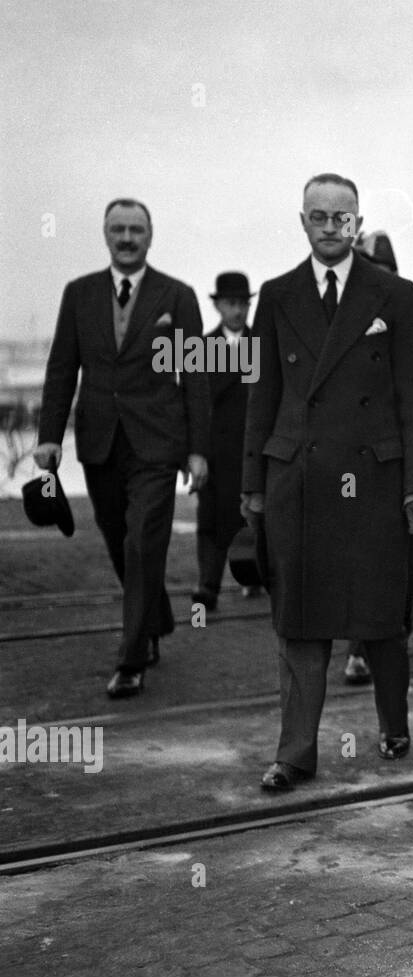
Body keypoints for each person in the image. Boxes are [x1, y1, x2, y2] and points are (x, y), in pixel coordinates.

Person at [242, 173, 413, 791]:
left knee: (380, 616)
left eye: (342, 218)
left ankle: (393, 722)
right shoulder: (275, 296)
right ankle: (294, 753)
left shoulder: (395, 294)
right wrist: (252, 484)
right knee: (299, 623)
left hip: (374, 482)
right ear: (303, 221)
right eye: (319, 217)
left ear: (358, 222)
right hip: (297, 483)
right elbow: (261, 396)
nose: (331, 228)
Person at [34, 198, 210, 698]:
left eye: (136, 229)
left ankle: (131, 657)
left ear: (150, 237)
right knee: (119, 540)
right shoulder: (80, 294)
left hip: (157, 443)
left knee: (142, 542)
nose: (127, 238)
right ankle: (153, 619)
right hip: (100, 441)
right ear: (105, 235)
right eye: (118, 229)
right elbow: (62, 368)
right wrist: (49, 437)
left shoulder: (178, 296)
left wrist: (198, 451)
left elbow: (195, 376)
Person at [340, 231, 413, 685]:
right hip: (358, 470)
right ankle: (359, 649)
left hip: (412, 471)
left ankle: (399, 628)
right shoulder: (341, 338)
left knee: (408, 560)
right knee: (358, 559)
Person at [193, 272, 261, 610]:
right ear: (218, 305)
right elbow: (193, 404)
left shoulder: (262, 345)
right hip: (215, 453)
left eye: (243, 303)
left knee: (252, 518)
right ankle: (208, 588)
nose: (238, 310)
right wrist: (194, 453)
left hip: (252, 452)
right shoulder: (201, 348)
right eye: (231, 303)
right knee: (210, 521)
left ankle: (252, 578)